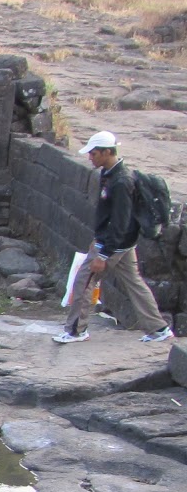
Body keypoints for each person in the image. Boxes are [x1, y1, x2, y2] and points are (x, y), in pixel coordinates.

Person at [55, 131, 174, 345]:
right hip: (123, 244)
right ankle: (158, 328)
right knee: (134, 283)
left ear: (107, 152)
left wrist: (103, 253)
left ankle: (75, 330)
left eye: (94, 153)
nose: (90, 157)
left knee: (84, 282)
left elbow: (121, 221)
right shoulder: (110, 174)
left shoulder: (121, 182)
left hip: (113, 244)